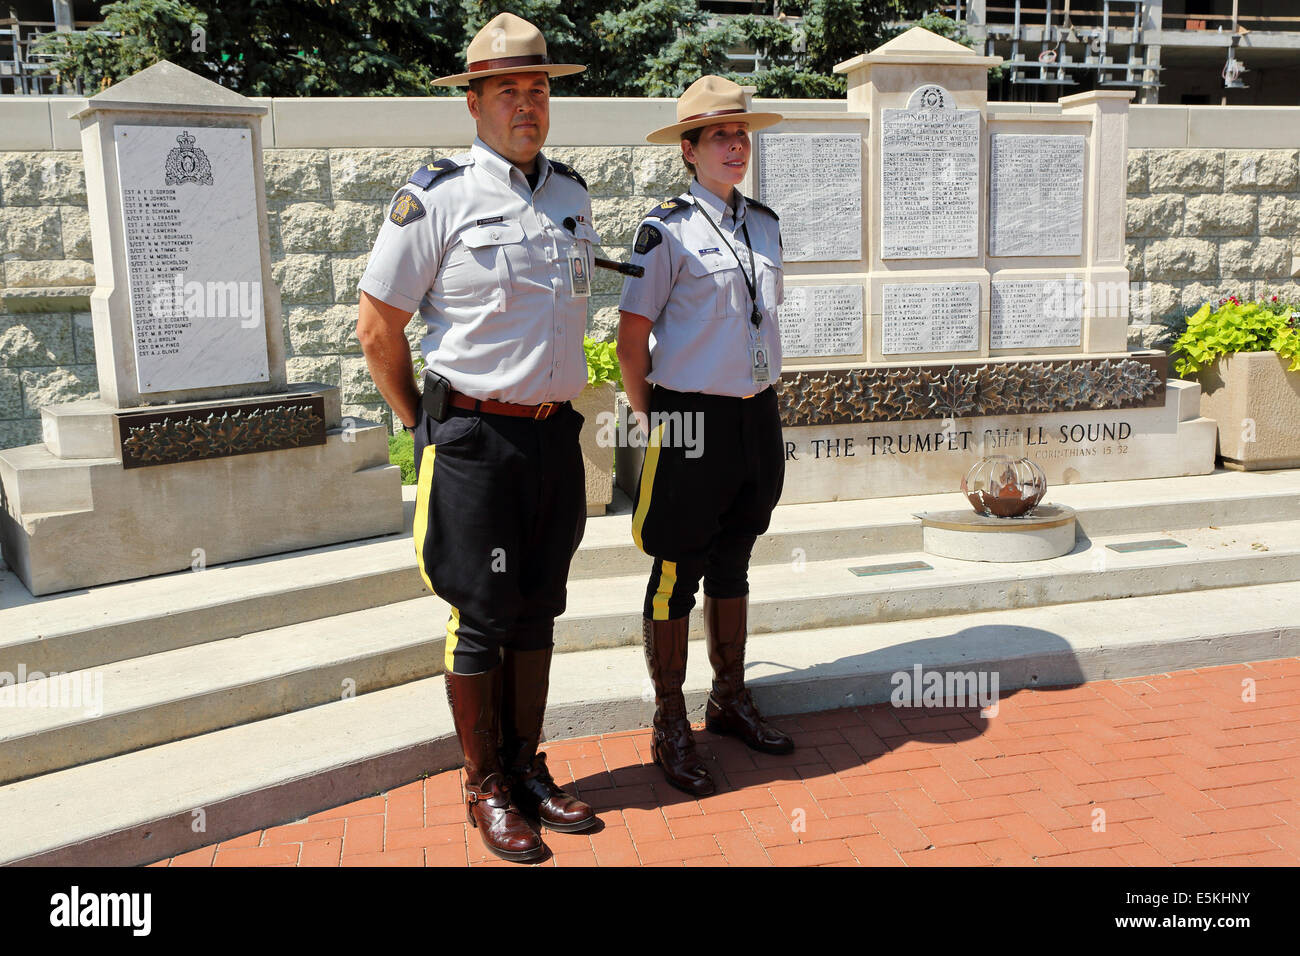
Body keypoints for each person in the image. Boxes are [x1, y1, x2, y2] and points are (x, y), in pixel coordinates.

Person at [354, 12, 598, 863]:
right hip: (475, 442)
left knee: (539, 607)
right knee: (482, 614)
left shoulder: (570, 194)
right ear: (474, 102)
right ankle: (484, 783)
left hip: (551, 440)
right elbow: (378, 326)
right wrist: (422, 428)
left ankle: (527, 767)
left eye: (537, 89)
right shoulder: (438, 197)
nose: (526, 104)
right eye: (507, 91)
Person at [617, 76, 794, 797]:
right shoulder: (665, 230)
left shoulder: (766, 222)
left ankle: (728, 698)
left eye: (742, 134)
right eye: (720, 136)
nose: (735, 146)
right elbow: (632, 338)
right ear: (688, 150)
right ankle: (669, 720)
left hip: (755, 413)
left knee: (735, 558)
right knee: (674, 568)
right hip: (688, 415)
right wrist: (645, 413)